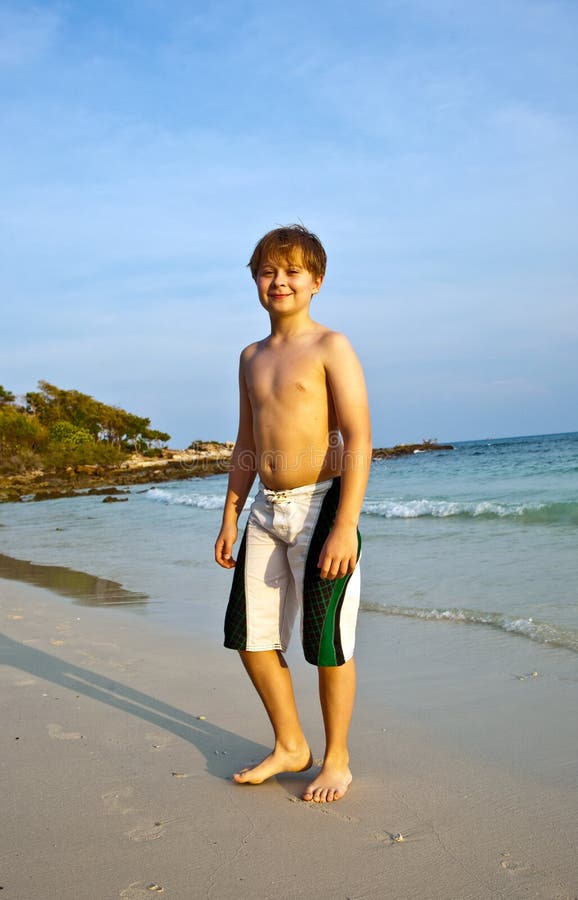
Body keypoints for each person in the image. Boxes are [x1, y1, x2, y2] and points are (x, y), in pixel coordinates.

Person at [215, 224, 372, 803]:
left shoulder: (332, 346)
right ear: (255, 280)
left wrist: (344, 525)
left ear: (316, 281)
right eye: (267, 271)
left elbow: (357, 437)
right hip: (263, 511)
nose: (278, 281)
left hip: (321, 504)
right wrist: (231, 514)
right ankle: (289, 745)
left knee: (327, 640)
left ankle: (337, 759)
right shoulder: (251, 356)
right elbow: (245, 442)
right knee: (249, 636)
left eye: (292, 271)